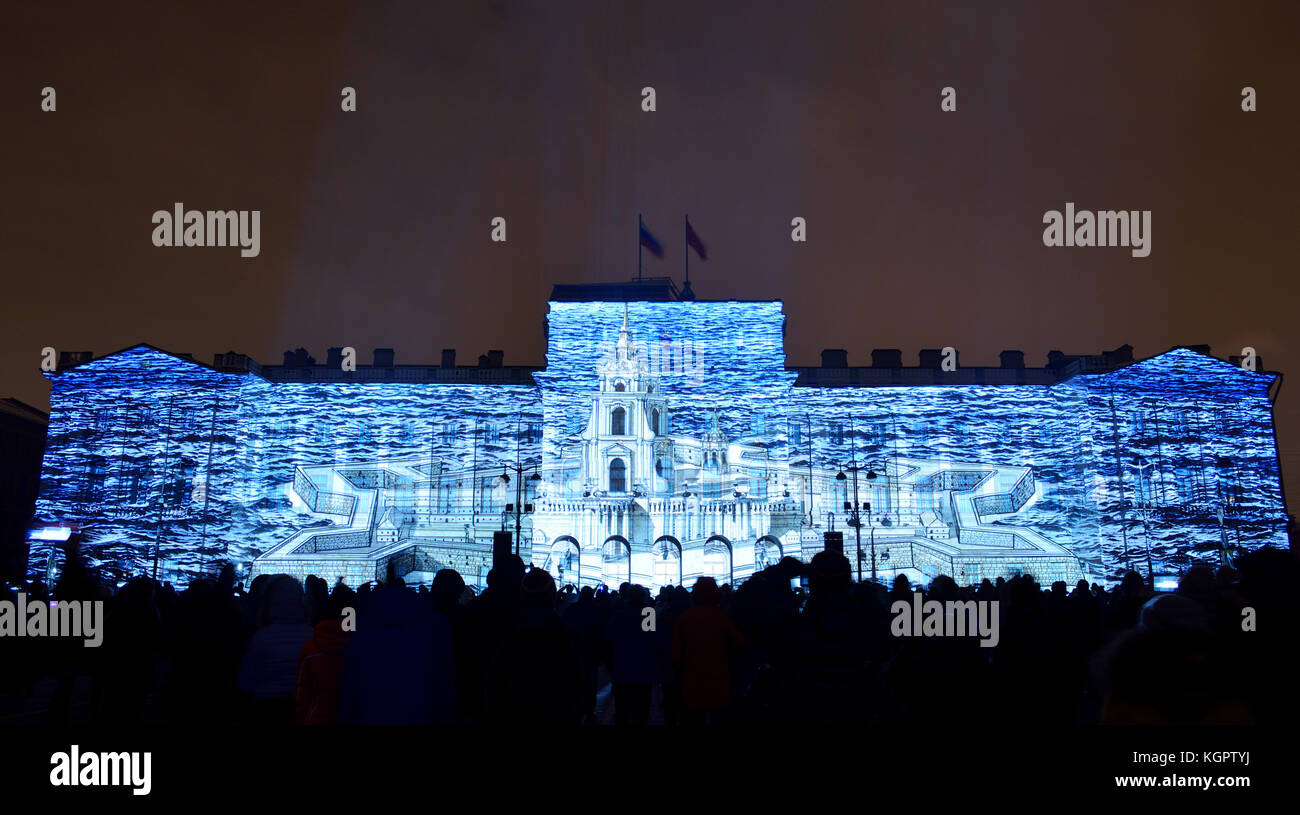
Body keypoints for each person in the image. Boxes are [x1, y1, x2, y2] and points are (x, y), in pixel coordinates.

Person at [671, 577, 743, 724]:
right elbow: (738, 645)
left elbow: (675, 653)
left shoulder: (685, 619)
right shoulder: (722, 618)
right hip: (719, 681)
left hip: (692, 681)